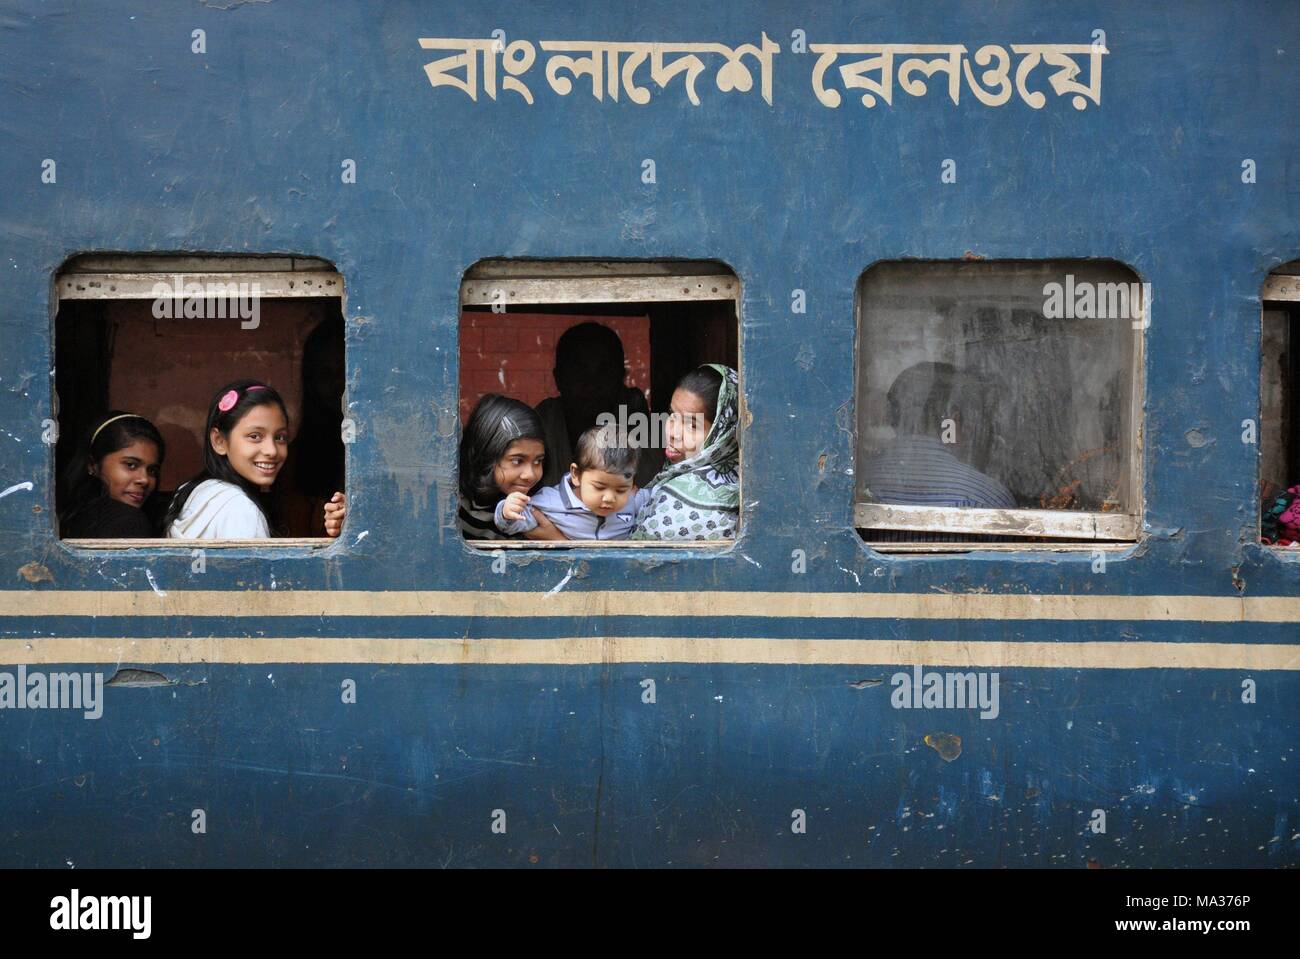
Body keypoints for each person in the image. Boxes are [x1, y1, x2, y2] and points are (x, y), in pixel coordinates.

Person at [164, 380, 347, 539]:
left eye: (280, 437)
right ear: (219, 441)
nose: (272, 450)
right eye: (255, 436)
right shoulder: (240, 510)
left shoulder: (193, 491)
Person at [859, 361, 1015, 509]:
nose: (970, 430)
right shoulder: (987, 497)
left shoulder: (859, 481)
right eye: (969, 420)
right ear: (951, 422)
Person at [535, 322, 661, 489]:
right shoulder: (544, 423)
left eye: (604, 371)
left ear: (620, 377)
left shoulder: (643, 430)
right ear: (559, 378)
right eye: (579, 371)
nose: (592, 383)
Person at [631, 364, 740, 541]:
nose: (673, 433)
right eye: (672, 415)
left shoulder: (683, 509)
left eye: (691, 425)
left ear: (722, 433)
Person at [494, 422, 652, 540]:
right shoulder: (548, 502)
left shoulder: (635, 500)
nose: (610, 498)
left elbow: (662, 495)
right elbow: (514, 525)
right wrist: (507, 511)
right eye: (599, 487)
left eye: (620, 490)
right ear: (576, 474)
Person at [59, 412, 166, 538]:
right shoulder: (127, 521)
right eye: (131, 465)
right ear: (92, 464)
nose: (144, 479)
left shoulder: (73, 514)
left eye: (152, 470)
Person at [458, 394, 549, 541]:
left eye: (538, 461)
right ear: (487, 455)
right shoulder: (454, 505)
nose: (530, 474)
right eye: (517, 461)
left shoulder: (536, 507)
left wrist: (554, 537)